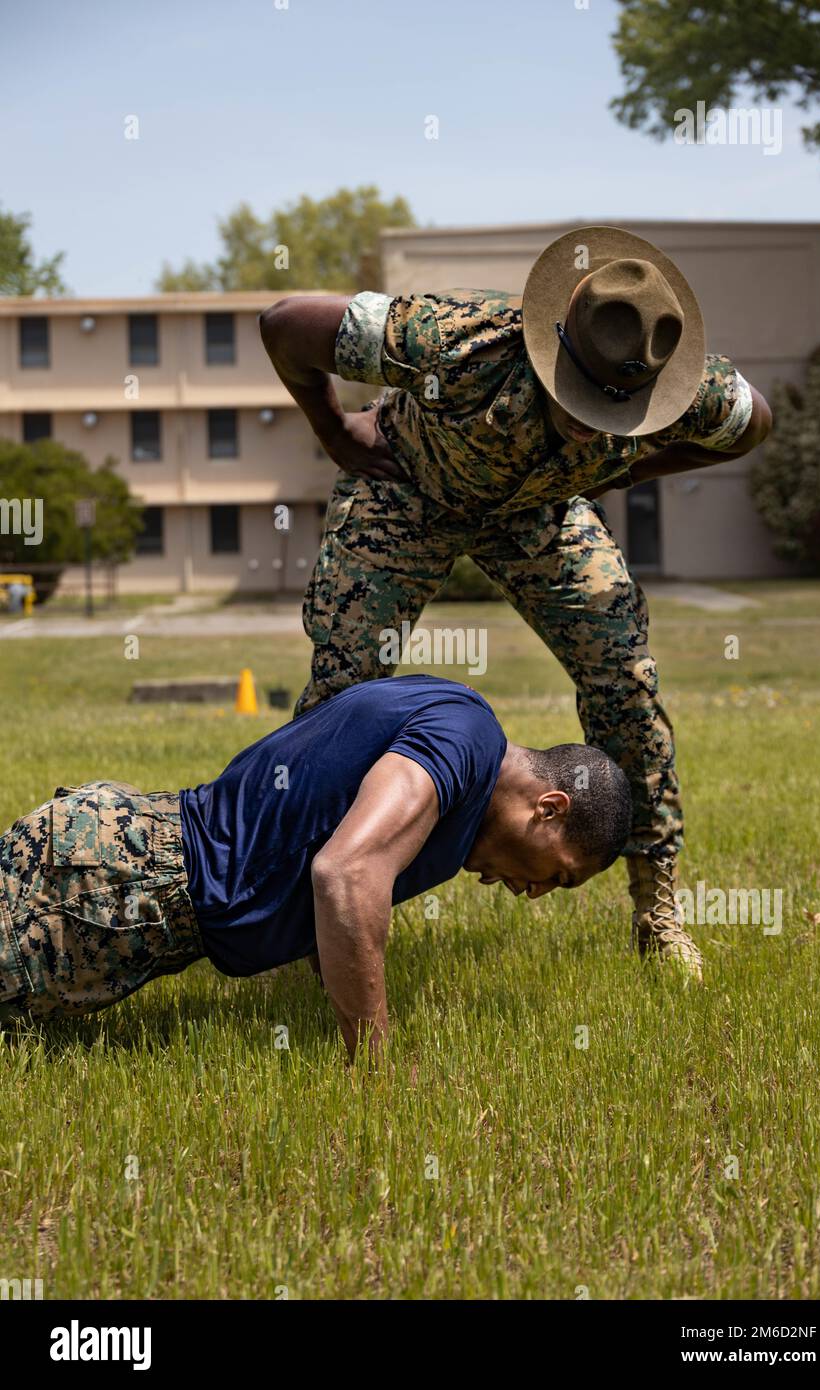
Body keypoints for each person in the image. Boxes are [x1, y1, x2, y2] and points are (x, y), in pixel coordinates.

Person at [259, 225, 774, 981]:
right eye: (580, 395)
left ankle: (657, 912)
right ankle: (293, 915)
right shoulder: (458, 339)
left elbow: (754, 422)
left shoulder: (685, 391)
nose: (587, 418)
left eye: (612, 408)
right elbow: (285, 323)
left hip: (540, 513)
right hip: (408, 492)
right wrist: (332, 428)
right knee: (344, 695)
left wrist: (632, 472)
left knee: (625, 679)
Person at [0, 675, 631, 1059]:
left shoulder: (459, 733)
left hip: (120, 868)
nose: (536, 892)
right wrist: (371, 1074)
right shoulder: (462, 741)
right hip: (114, 881)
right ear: (550, 808)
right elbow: (346, 875)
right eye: (559, 875)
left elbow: (315, 822)